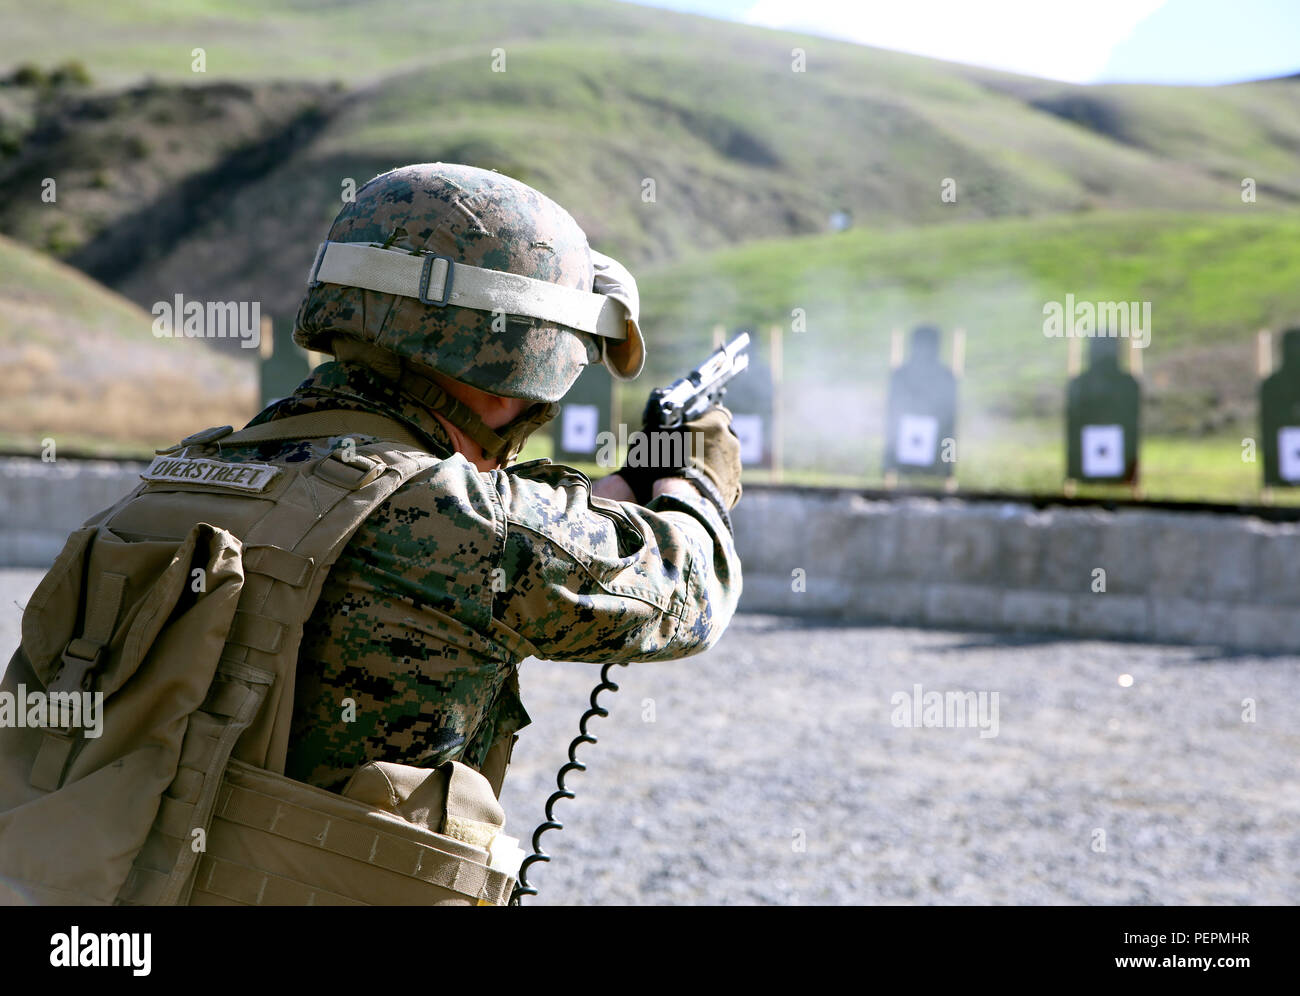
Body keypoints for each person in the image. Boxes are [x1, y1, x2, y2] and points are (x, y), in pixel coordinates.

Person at [225, 162, 744, 797]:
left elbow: (500, 535)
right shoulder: (458, 520)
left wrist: (630, 487)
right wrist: (697, 484)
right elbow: (688, 591)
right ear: (517, 362)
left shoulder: (211, 464)